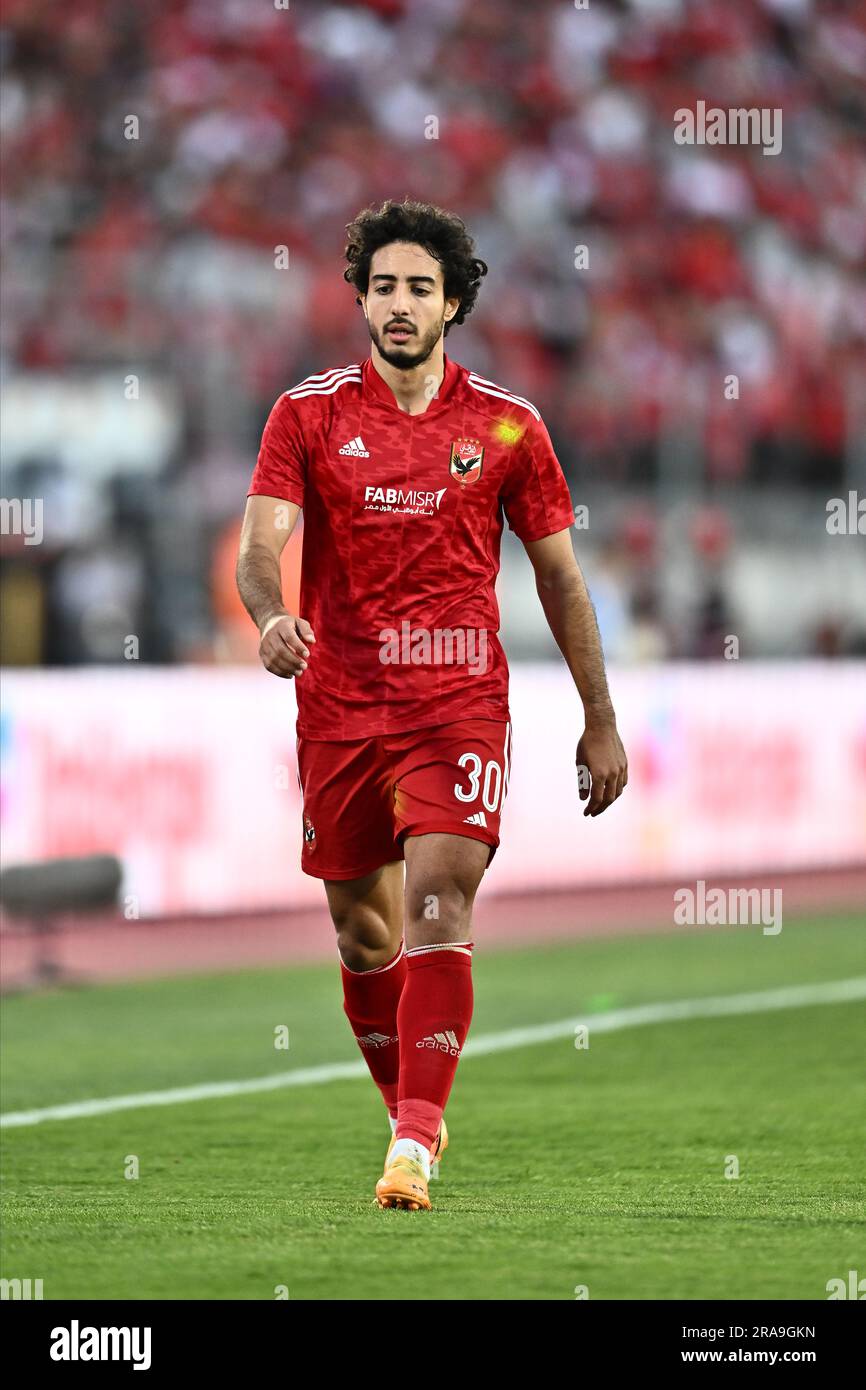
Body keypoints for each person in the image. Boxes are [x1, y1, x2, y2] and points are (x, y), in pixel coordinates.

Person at [236, 198, 628, 1211]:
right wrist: (271, 616)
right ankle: (412, 1108)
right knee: (363, 936)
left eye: (418, 287)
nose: (397, 303)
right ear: (360, 299)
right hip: (338, 706)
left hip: (456, 701)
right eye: (381, 286)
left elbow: (559, 580)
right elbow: (257, 549)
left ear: (452, 302)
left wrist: (599, 715)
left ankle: (410, 1146)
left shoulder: (507, 425)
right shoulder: (306, 413)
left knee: (438, 901)